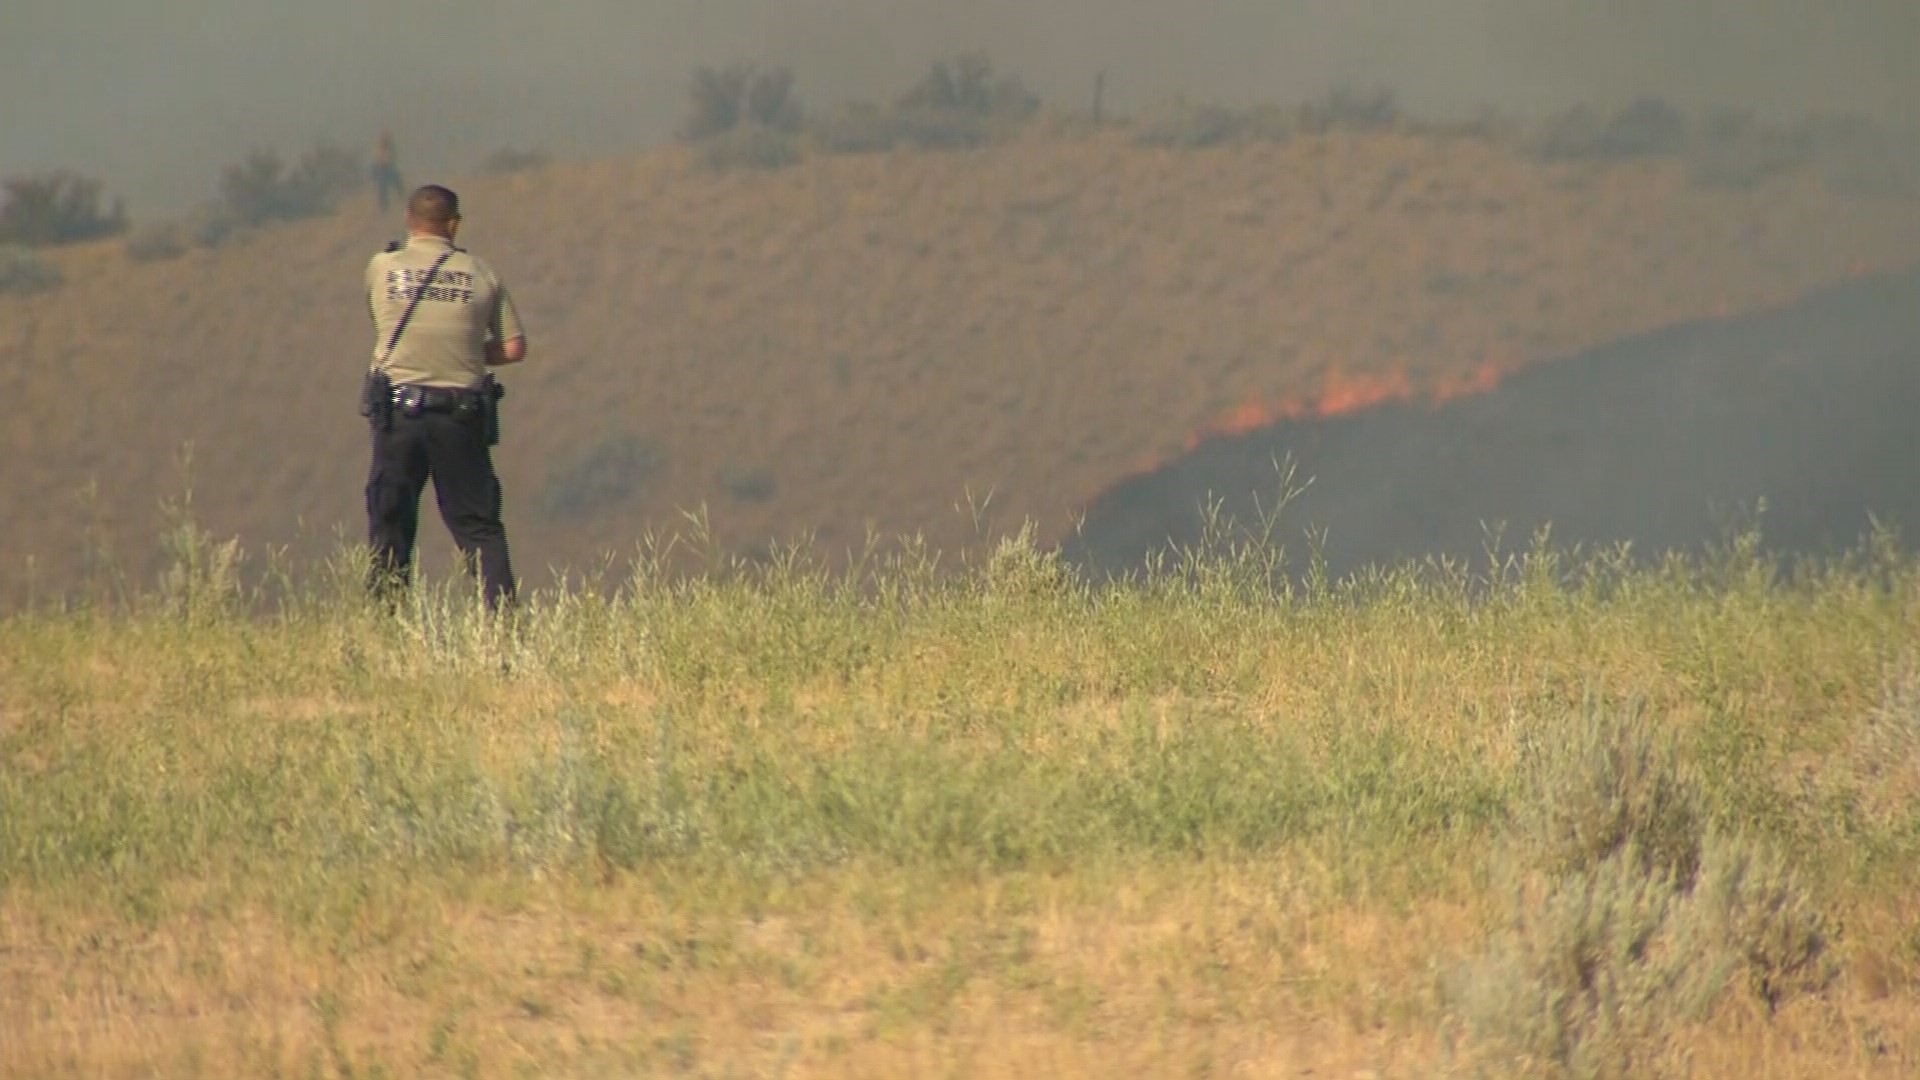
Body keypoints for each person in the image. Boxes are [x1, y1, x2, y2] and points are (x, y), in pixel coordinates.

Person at [361, 184, 527, 611]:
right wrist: (467, 351)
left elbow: (383, 326)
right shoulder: (480, 273)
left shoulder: (382, 268)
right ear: (453, 224)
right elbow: (513, 348)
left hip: (398, 415)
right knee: (479, 528)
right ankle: (502, 625)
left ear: (409, 221)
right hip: (459, 416)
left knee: (390, 523)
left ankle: (386, 623)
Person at [370, 130, 404, 213]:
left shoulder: (389, 147)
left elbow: (392, 158)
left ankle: (402, 198)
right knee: (382, 190)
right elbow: (377, 159)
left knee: (397, 184)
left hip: (388, 168)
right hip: (382, 170)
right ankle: (384, 208)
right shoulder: (378, 147)